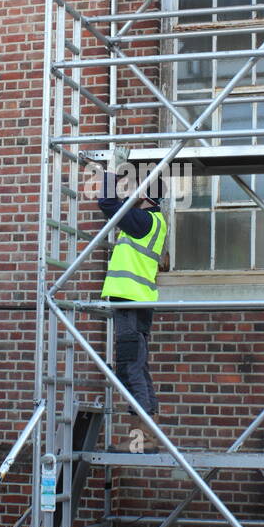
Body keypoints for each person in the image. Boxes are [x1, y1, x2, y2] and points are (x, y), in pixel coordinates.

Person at [98, 170, 168, 424]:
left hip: (129, 301)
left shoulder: (142, 220)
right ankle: (149, 432)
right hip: (140, 302)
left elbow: (106, 203)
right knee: (138, 365)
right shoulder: (153, 221)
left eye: (135, 189)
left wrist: (111, 173)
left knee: (129, 366)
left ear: (147, 195)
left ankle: (142, 432)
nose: (128, 193)